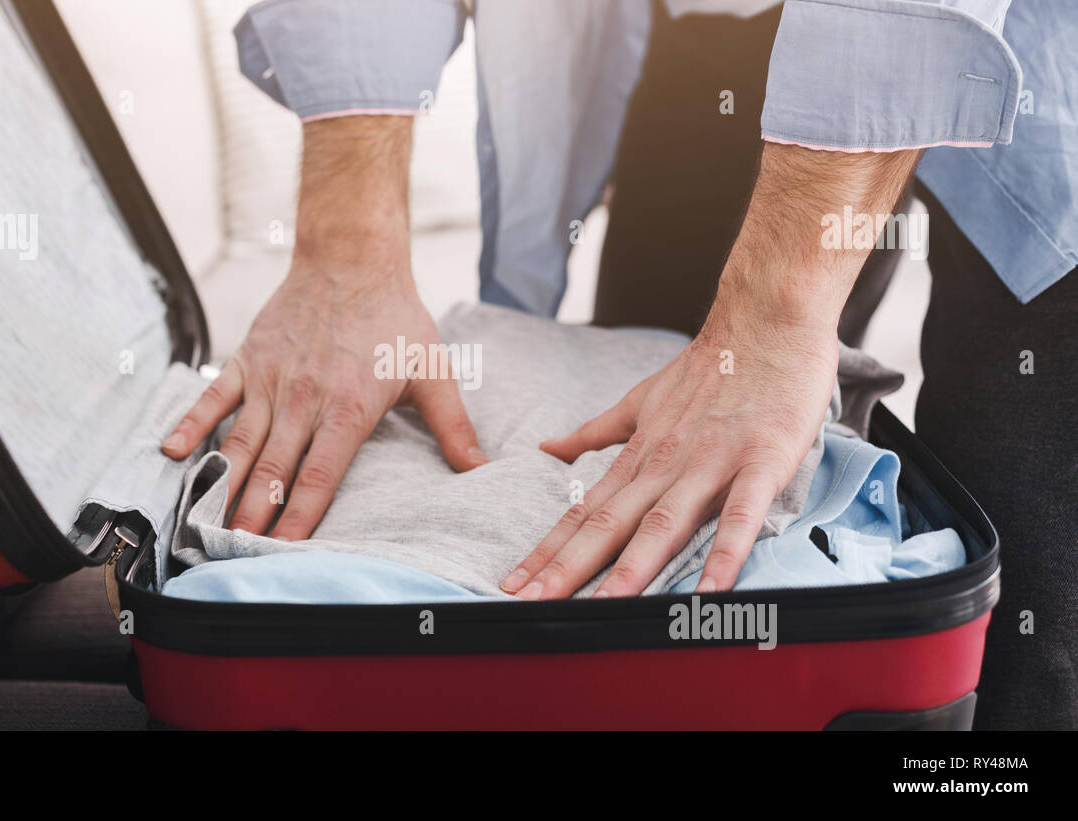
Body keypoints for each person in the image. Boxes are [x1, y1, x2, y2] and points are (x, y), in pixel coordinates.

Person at [161, 0, 1077, 729]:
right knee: (659, 440)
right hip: (723, 29)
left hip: (1047, 48)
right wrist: (344, 245)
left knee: (1028, 628)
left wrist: (777, 307)